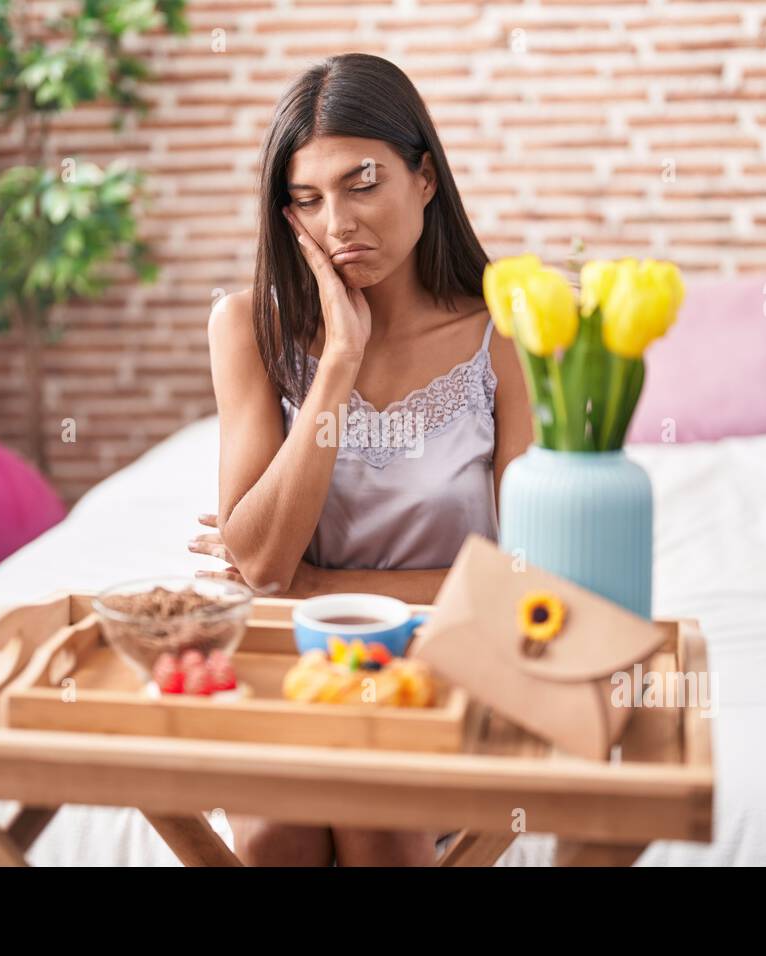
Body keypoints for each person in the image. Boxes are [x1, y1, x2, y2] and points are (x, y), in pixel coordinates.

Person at [191, 53, 532, 865]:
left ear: (424, 178)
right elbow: (267, 562)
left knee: (381, 825)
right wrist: (339, 361)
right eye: (308, 200)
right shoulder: (247, 328)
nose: (338, 221)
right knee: (278, 834)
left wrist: (321, 586)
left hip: (444, 667)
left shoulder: (507, 332)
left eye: (363, 183)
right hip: (291, 667)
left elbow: (518, 581)